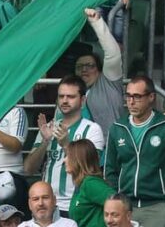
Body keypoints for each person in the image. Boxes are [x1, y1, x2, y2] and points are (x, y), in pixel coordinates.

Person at [103, 75, 165, 227]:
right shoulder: (118, 128)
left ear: (151, 98)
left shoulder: (164, 126)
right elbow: (110, 169)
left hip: (157, 205)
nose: (131, 101)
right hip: (126, 206)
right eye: (128, 96)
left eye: (137, 97)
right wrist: (119, 197)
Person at [24, 75, 105, 216]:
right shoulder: (48, 128)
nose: (65, 100)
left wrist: (67, 145)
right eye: (61, 96)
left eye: (71, 96)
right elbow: (29, 169)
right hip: (48, 206)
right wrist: (45, 142)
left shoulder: (92, 129)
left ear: (83, 100)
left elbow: (91, 170)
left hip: (78, 205)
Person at [75, 9, 124, 136]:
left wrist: (97, 22)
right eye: (79, 67)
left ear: (99, 69)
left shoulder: (108, 83)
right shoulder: (70, 92)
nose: (84, 70)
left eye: (89, 66)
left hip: (111, 149)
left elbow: (113, 54)